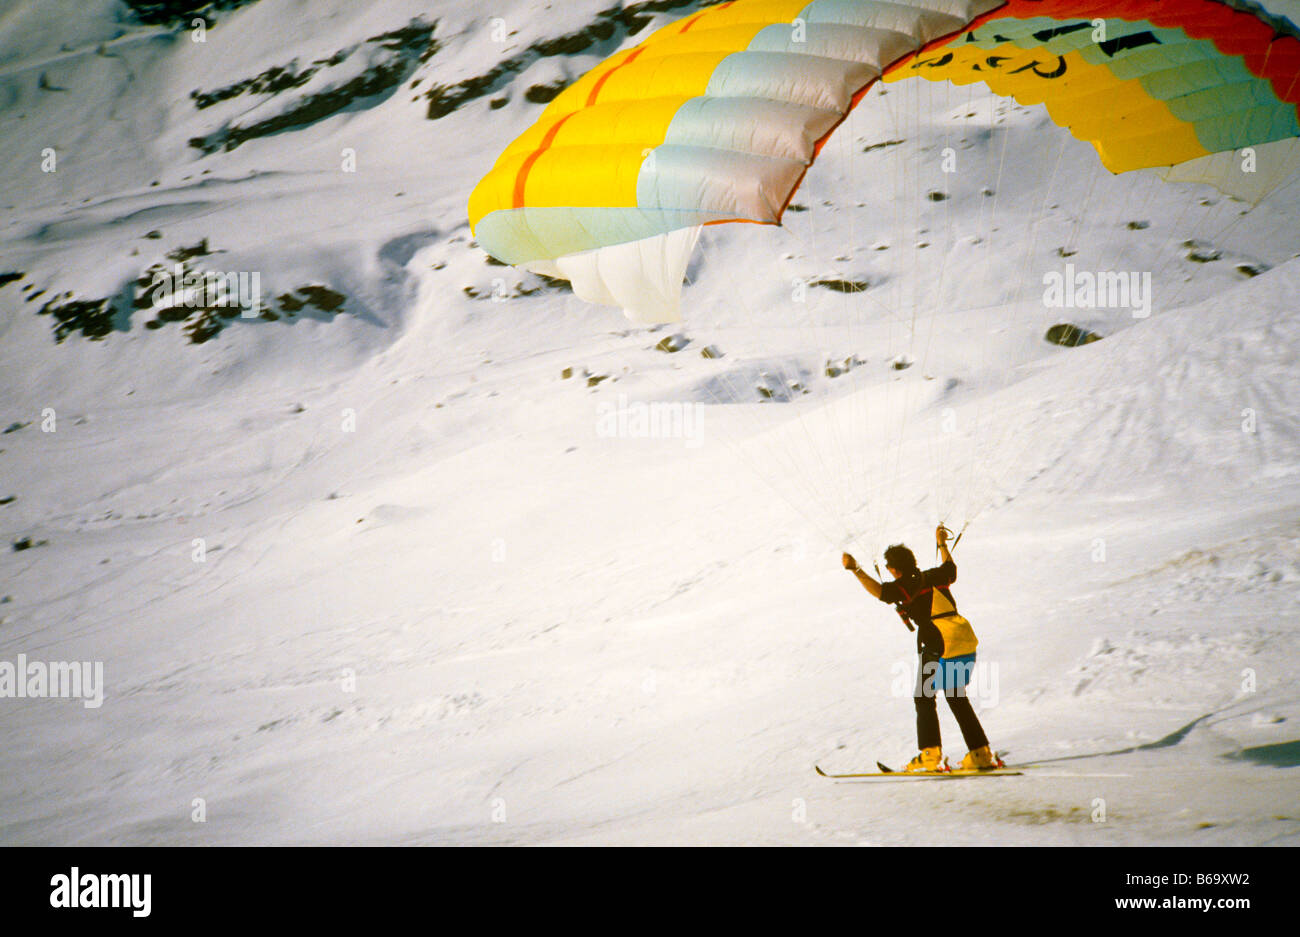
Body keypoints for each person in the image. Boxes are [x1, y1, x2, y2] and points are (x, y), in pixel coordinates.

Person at [842, 525, 998, 772]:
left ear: (894, 569)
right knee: (956, 696)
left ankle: (929, 756)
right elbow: (951, 569)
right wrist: (942, 543)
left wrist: (856, 570)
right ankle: (980, 753)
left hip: (938, 641)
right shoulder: (936, 575)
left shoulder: (903, 585)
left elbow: (880, 592)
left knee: (924, 697)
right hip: (963, 636)